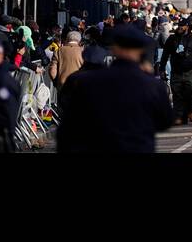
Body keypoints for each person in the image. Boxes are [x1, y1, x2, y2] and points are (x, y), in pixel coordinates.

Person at [57, 23, 174, 152]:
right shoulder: (151, 85)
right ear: (141, 50)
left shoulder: (89, 82)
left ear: (115, 49)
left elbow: (68, 129)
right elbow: (165, 120)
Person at [158, 19, 192, 125]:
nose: (180, 27)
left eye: (182, 26)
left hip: (189, 72)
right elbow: (165, 55)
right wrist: (162, 69)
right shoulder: (172, 39)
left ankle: (190, 112)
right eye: (179, 25)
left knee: (191, 92)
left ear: (187, 27)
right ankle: (178, 116)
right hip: (176, 72)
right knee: (177, 94)